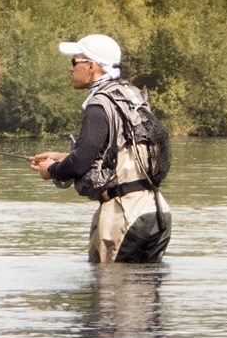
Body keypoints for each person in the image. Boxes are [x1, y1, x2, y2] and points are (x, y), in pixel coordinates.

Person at [29, 33, 171, 263]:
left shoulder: (99, 104)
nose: (71, 69)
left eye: (75, 62)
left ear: (92, 66)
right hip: (156, 212)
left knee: (109, 294)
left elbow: (80, 164)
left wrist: (52, 169)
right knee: (143, 294)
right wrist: (62, 156)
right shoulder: (129, 96)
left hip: (124, 216)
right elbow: (116, 154)